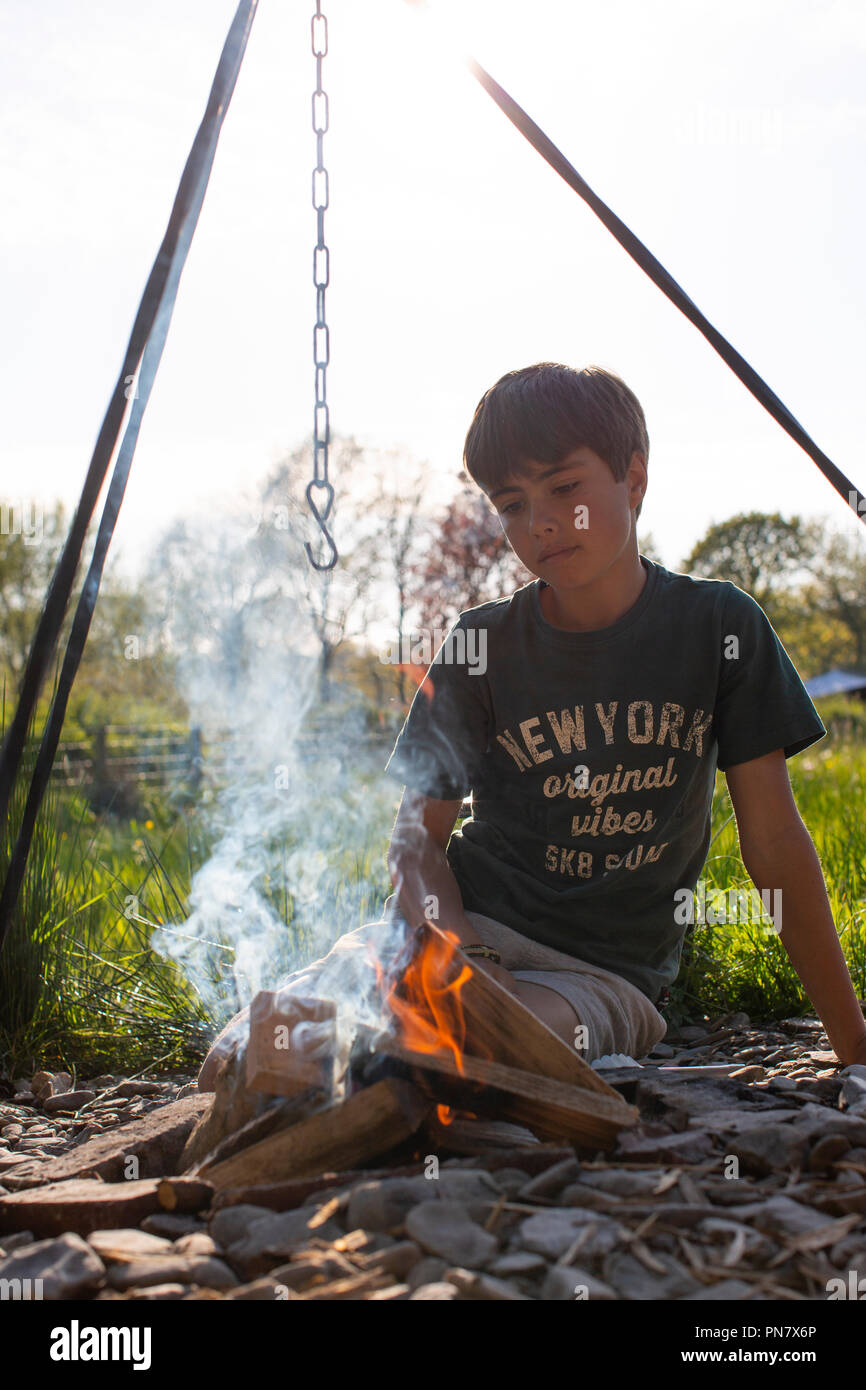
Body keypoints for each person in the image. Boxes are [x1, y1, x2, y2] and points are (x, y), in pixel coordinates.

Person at [199, 361, 866, 1090]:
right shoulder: (480, 646)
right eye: (512, 503)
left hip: (600, 976)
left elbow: (773, 847)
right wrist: (464, 961)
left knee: (493, 1048)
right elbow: (415, 842)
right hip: (455, 934)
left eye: (565, 487)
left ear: (633, 480)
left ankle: (403, 1086)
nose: (541, 521)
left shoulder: (719, 628)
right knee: (247, 1055)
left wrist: (854, 1043)